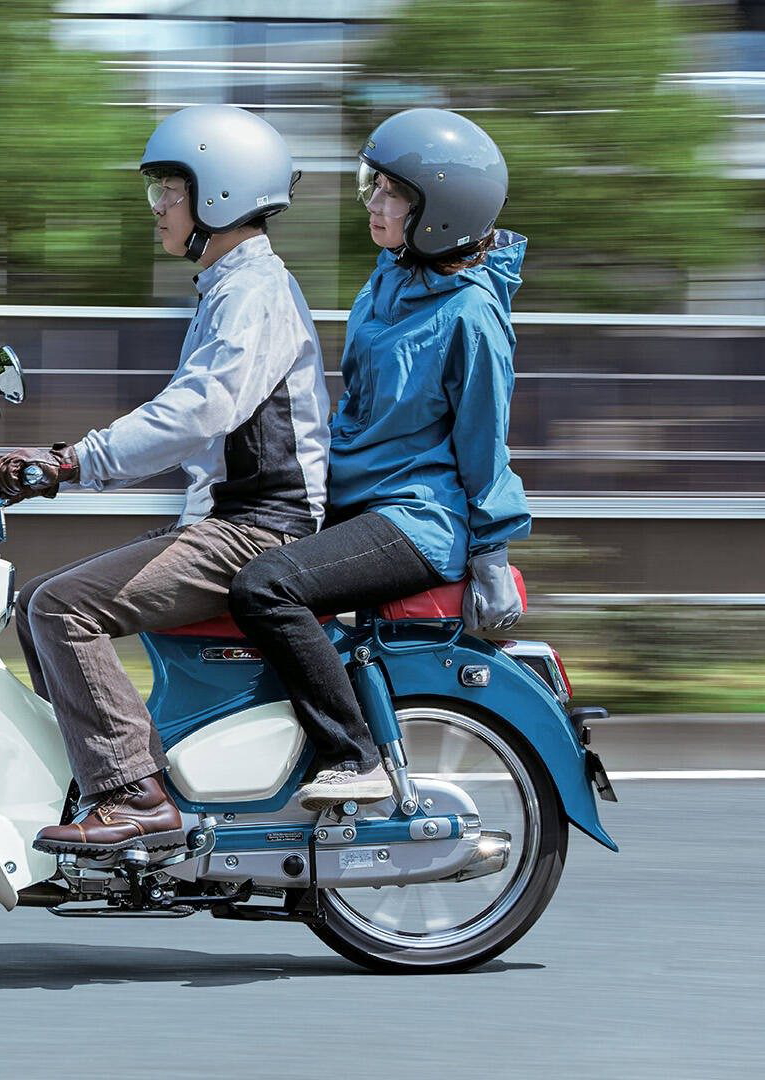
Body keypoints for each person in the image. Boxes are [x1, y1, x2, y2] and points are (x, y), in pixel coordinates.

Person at [0, 104, 330, 856]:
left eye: (166, 192)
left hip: (256, 531)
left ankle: (133, 798)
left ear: (219, 194)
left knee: (60, 610)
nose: (155, 210)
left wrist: (76, 461)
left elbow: (202, 406)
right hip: (223, 522)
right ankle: (99, 776)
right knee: (35, 605)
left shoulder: (254, 293)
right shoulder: (229, 287)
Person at [227, 107, 532, 810]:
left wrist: (492, 551)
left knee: (266, 588)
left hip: (416, 520)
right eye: (375, 185)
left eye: (391, 192)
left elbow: (484, 445)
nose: (373, 201)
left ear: (439, 213)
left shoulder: (472, 317)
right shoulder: (388, 280)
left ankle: (354, 754)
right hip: (356, 498)